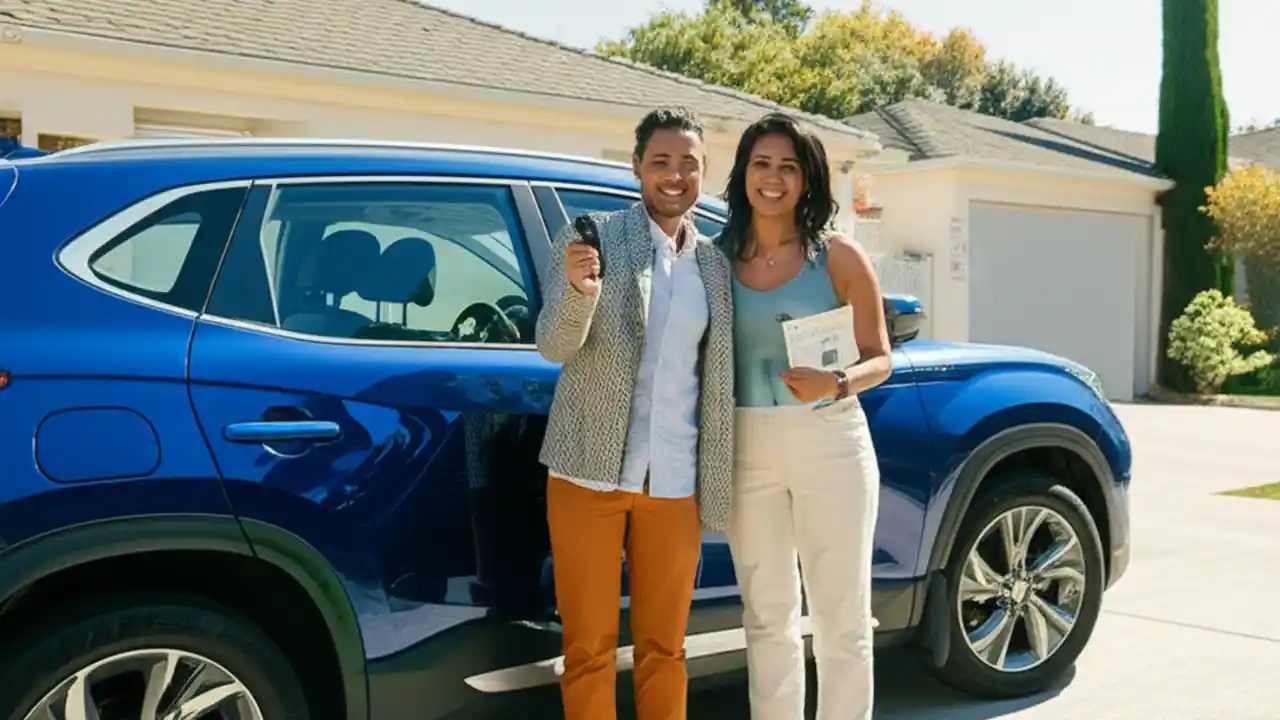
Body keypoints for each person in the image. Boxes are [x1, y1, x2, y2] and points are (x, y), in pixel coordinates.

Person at [534, 106, 735, 720]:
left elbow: (719, 377)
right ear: (637, 168)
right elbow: (553, 345)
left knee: (665, 648)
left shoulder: (715, 265)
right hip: (586, 473)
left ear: (704, 172)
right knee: (589, 648)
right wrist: (579, 294)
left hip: (674, 482)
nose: (675, 176)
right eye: (661, 162)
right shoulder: (591, 234)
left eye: (689, 164)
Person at [720, 112, 892, 720]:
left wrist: (837, 381)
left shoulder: (838, 256)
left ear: (808, 179)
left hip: (830, 439)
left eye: (788, 167)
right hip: (746, 443)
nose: (773, 178)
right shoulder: (717, 259)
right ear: (743, 172)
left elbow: (881, 359)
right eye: (762, 164)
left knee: (842, 618)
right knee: (767, 617)